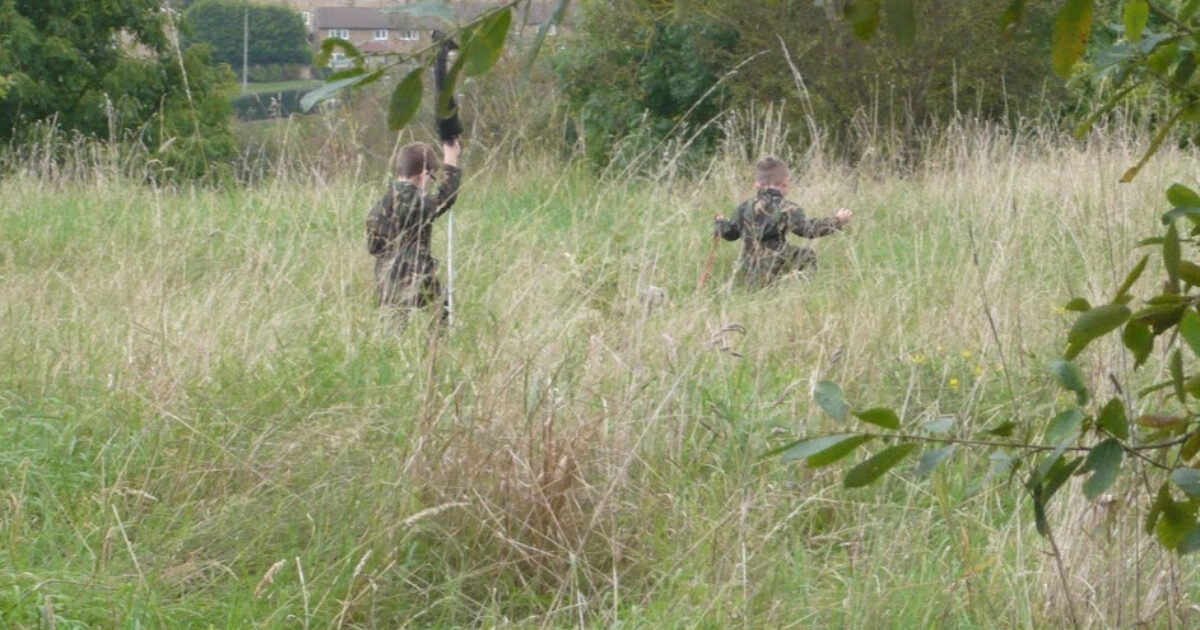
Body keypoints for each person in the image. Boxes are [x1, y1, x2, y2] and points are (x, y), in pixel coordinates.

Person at [714, 156, 852, 286]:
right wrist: (837, 220)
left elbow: (731, 233)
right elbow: (809, 230)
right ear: (785, 182)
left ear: (757, 184)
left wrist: (720, 223)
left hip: (749, 265)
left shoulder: (745, 207)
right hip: (775, 261)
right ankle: (802, 285)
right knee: (808, 256)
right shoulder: (787, 208)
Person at [366, 139, 462, 324]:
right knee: (442, 314)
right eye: (431, 178)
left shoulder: (377, 208)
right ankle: (437, 349)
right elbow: (446, 196)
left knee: (392, 332)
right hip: (418, 277)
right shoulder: (419, 202)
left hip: (386, 280)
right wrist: (451, 155)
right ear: (424, 174)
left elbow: (373, 247)